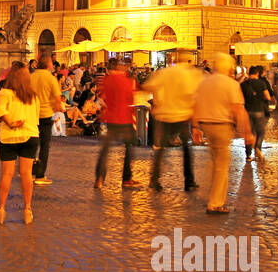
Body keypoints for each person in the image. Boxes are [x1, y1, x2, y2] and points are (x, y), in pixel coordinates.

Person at [193, 53, 253, 214]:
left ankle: (210, 191)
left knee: (214, 162)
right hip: (221, 126)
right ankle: (215, 202)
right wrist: (247, 132)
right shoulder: (230, 84)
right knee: (221, 166)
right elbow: (238, 110)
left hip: (206, 125)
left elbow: (195, 104)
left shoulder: (204, 82)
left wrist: (194, 127)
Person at [143, 57, 202, 192]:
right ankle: (189, 181)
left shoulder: (165, 72)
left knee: (160, 148)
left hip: (164, 115)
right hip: (181, 115)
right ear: (187, 62)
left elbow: (148, 86)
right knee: (186, 148)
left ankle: (154, 179)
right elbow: (193, 99)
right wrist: (195, 125)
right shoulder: (188, 75)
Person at [0, 62, 40, 225]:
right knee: (27, 174)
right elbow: (36, 116)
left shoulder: (5, 93)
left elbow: (0, 111)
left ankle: (1, 209)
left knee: (7, 174)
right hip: (30, 135)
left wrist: (11, 123)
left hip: (8, 137)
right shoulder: (33, 95)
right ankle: (27, 209)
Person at [94, 58, 142, 191]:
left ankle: (99, 177)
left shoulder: (107, 80)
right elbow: (131, 99)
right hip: (124, 118)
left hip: (110, 118)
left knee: (105, 150)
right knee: (130, 146)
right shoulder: (128, 82)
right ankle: (126, 177)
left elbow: (102, 96)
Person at [30, 54, 62, 187]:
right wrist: (57, 110)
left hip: (32, 114)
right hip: (45, 115)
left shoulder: (31, 77)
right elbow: (57, 99)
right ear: (49, 64)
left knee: (31, 144)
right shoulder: (50, 78)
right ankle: (40, 175)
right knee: (44, 146)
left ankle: (28, 171)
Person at [239, 64, 273, 163]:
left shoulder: (243, 84)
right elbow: (268, 97)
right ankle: (258, 148)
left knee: (249, 133)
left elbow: (239, 98)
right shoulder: (261, 83)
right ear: (257, 73)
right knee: (260, 132)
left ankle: (248, 155)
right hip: (259, 110)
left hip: (247, 111)